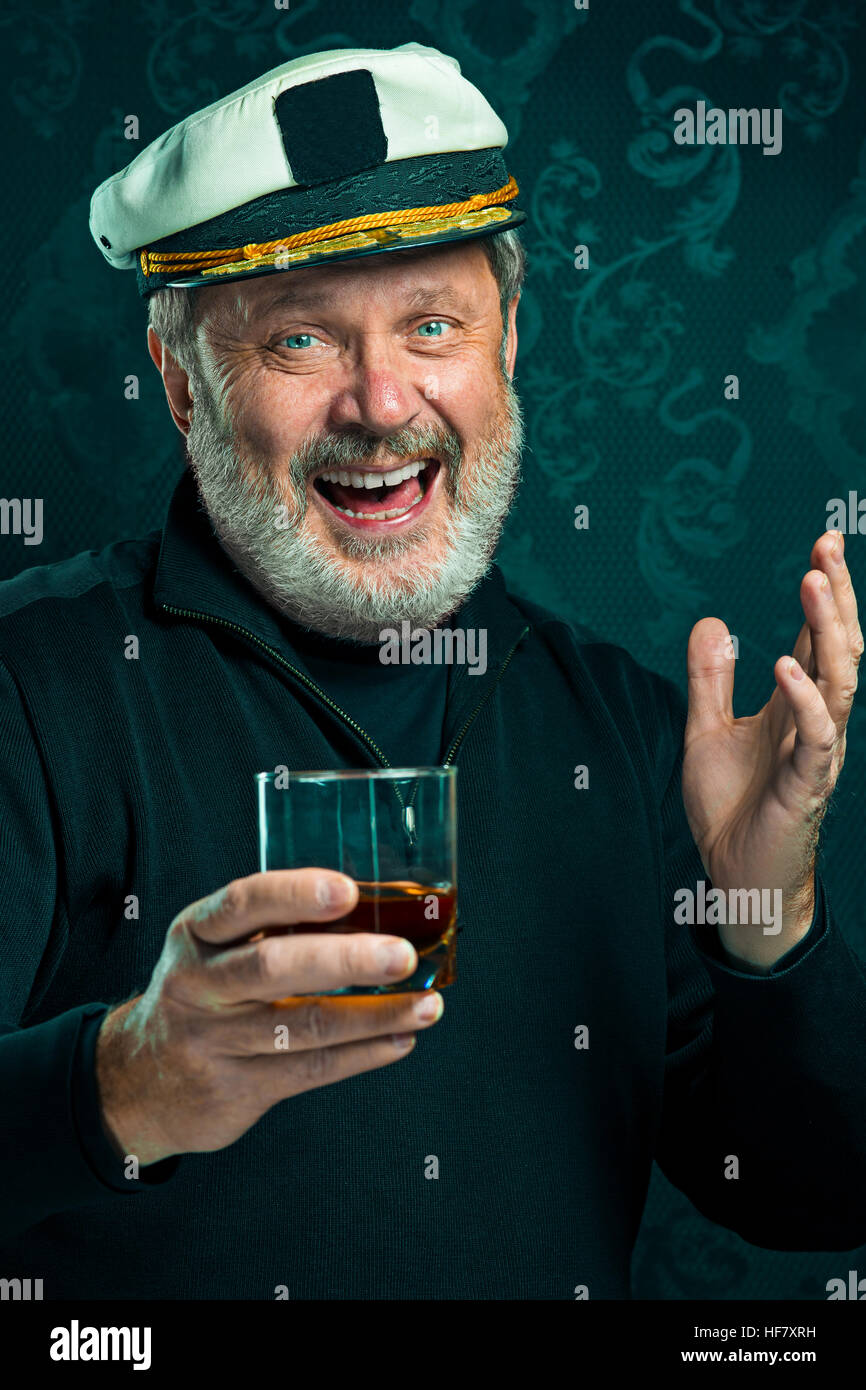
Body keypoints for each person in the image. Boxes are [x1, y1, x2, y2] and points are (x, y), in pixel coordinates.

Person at [1, 41, 863, 1301]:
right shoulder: (32, 686)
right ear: (183, 384)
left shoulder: (621, 731)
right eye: (300, 339)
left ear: (507, 341)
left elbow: (806, 1193)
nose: (381, 401)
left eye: (431, 324)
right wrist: (119, 1082)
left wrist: (761, 920)